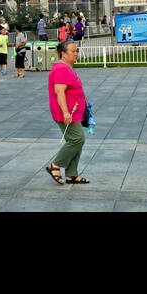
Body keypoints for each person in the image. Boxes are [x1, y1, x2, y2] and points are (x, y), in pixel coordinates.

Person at [46, 38, 89, 185]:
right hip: (66, 112)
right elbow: (59, 91)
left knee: (76, 141)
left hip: (75, 111)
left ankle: (71, 174)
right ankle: (55, 165)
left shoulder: (67, 67)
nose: (76, 53)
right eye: (73, 51)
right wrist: (65, 112)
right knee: (77, 139)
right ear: (63, 54)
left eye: (76, 50)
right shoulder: (61, 68)